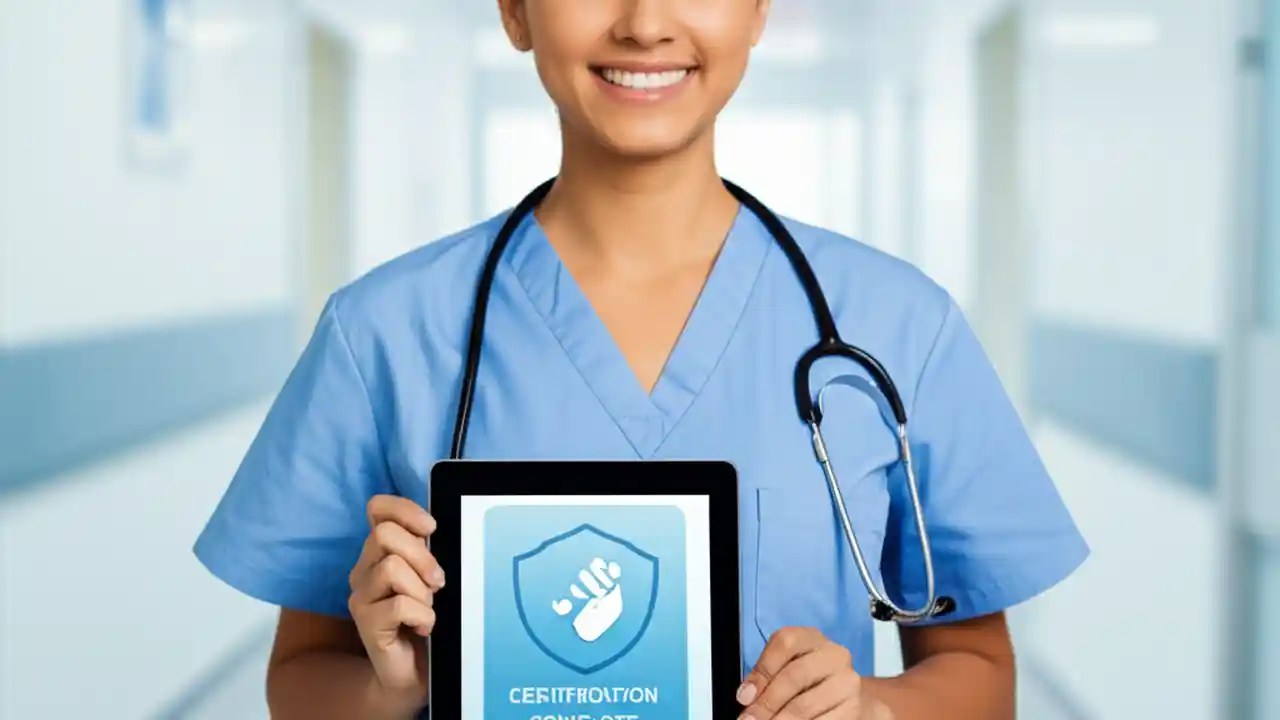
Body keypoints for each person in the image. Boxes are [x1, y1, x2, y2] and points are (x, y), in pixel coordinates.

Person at [194, 1, 1089, 718]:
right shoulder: (384, 332)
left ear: (757, 10)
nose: (645, 21)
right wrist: (387, 693)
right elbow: (303, 674)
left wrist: (874, 711)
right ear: (515, 11)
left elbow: (976, 667)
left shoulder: (895, 324)